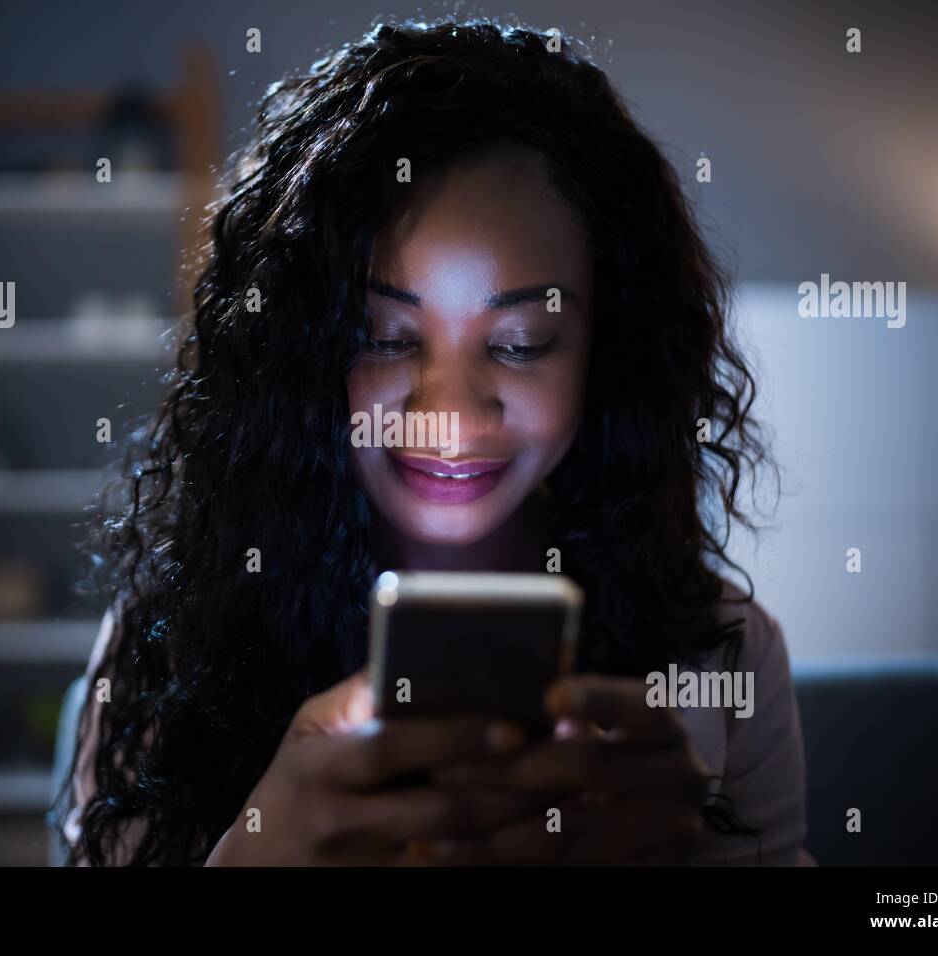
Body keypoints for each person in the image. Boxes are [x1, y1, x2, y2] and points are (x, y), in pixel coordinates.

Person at [58, 17, 810, 866]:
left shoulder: (722, 651)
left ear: (608, 352)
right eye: (383, 336)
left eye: (522, 342)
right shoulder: (169, 645)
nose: (449, 418)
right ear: (300, 353)